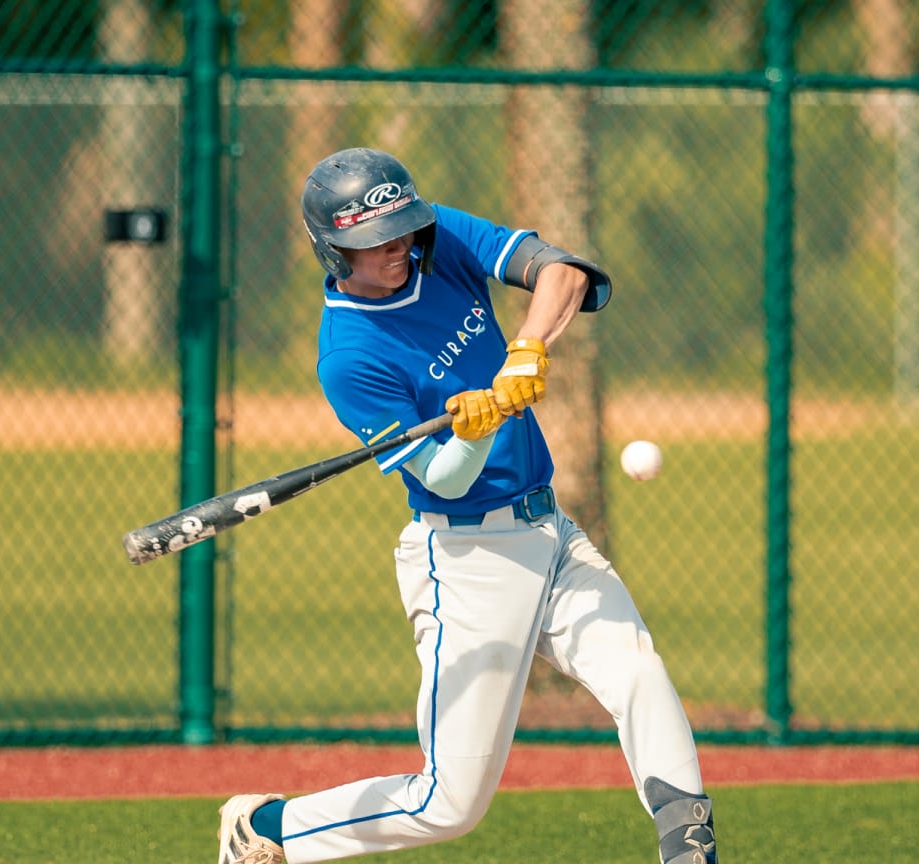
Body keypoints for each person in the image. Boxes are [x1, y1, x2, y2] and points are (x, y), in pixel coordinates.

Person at [216, 147, 718, 864]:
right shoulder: (350, 356)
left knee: (637, 672)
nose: (396, 247)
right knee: (448, 804)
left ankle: (689, 846)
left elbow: (563, 272)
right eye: (375, 241)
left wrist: (527, 349)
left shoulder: (434, 239)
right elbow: (446, 481)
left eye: (401, 230)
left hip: (550, 529)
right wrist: (474, 431)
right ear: (333, 250)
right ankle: (268, 829)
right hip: (467, 560)